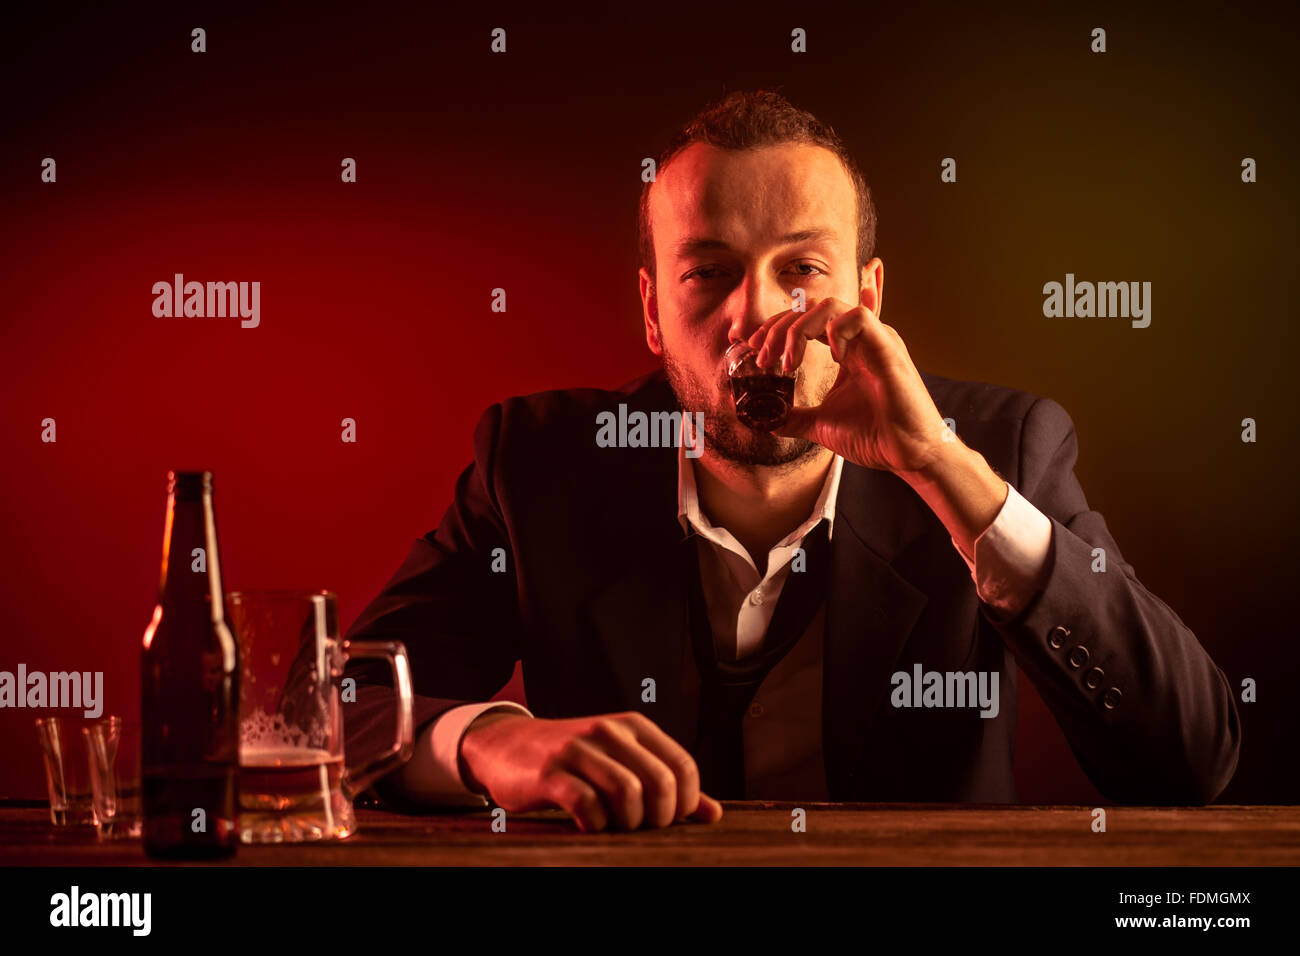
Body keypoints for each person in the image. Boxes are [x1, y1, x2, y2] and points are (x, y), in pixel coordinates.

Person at [342, 90, 1240, 833]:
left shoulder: (1000, 452)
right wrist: (488, 741)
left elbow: (1191, 761)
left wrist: (940, 468)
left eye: (802, 269)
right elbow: (338, 708)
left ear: (868, 297)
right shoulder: (539, 464)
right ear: (654, 311)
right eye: (709, 272)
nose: (754, 319)